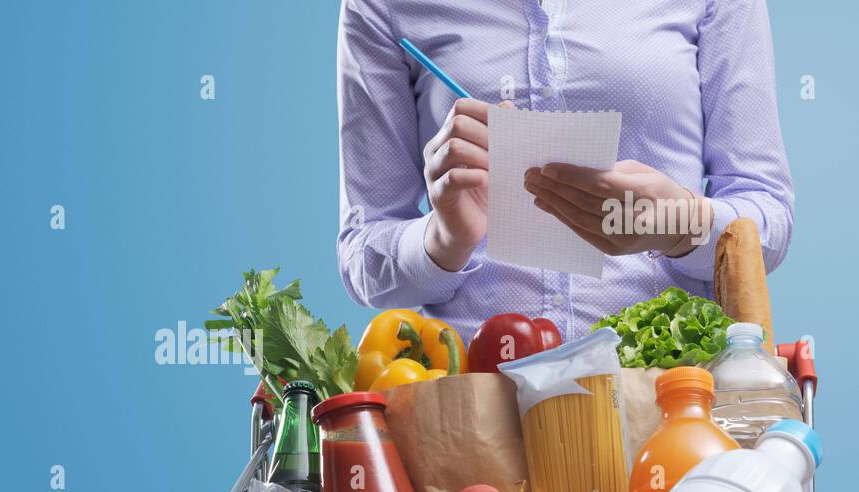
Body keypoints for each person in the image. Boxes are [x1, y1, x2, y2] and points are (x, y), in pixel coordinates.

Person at [336, 0, 793, 342]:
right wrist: (443, 240)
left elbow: (767, 217)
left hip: (664, 392)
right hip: (474, 402)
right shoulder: (382, 7)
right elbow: (362, 252)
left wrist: (677, 224)